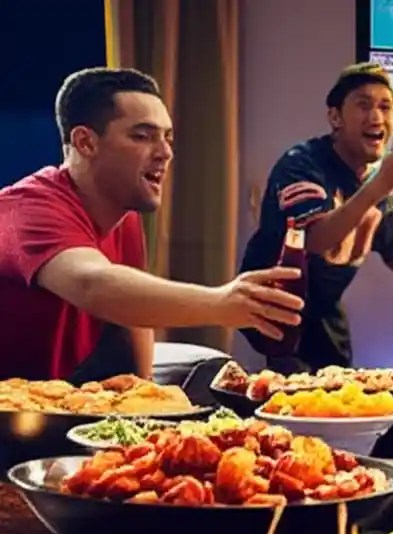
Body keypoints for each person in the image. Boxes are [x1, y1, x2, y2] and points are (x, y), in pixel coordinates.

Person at [0, 67, 303, 382]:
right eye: (142, 136)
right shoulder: (28, 209)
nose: (165, 153)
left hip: (52, 395)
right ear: (85, 142)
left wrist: (150, 401)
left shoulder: (124, 214)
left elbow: (133, 315)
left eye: (167, 138)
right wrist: (221, 303)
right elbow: (92, 284)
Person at [238, 62, 393, 373]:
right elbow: (315, 239)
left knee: (342, 393)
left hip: (326, 312)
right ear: (335, 117)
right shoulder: (301, 164)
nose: (376, 117)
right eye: (363, 104)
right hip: (273, 306)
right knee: (294, 403)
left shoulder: (383, 183)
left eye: (385, 106)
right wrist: (376, 188)